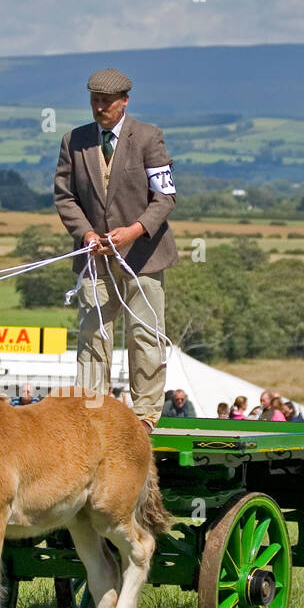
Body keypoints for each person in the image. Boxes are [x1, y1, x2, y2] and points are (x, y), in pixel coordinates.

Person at [55, 67, 178, 431]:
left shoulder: (149, 138)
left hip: (144, 256)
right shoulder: (73, 141)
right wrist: (86, 234)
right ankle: (92, 412)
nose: (99, 108)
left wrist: (135, 231)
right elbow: (65, 197)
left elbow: (165, 197)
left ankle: (145, 414)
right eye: (94, 101)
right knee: (93, 332)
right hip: (94, 259)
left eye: (106, 102)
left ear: (124, 101)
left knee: (145, 333)